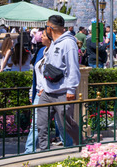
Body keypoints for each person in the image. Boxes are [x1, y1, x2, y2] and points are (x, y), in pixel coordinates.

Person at [36, 15, 80, 150]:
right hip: (47, 92)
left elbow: (73, 67)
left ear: (50, 28)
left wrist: (71, 90)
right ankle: (44, 151)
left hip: (62, 92)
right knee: (41, 124)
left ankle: (81, 146)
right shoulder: (53, 43)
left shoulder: (68, 43)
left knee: (67, 124)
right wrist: (43, 86)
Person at [24, 28, 51, 153]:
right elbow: (36, 75)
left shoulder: (55, 51)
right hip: (39, 93)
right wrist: (32, 91)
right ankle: (29, 150)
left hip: (52, 93)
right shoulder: (41, 51)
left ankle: (71, 147)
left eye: (44, 35)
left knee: (62, 124)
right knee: (35, 124)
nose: (41, 37)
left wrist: (45, 88)